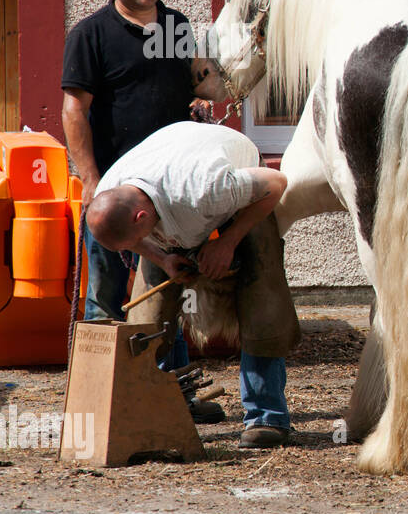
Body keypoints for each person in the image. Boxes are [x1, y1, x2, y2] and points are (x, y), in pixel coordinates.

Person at [85, 122, 302, 449]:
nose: (132, 246)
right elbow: (126, 241)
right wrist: (162, 258)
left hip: (238, 187)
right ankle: (162, 410)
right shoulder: (112, 193)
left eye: (134, 238)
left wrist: (227, 242)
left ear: (140, 218)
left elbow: (276, 182)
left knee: (262, 301)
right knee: (148, 320)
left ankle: (266, 416)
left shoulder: (207, 188)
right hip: (173, 191)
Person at [61, 0, 201, 322]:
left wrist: (199, 101)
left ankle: (163, 378)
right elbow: (73, 110)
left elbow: (188, 87)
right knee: (105, 298)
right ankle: (102, 378)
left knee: (166, 292)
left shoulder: (176, 27)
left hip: (168, 188)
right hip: (114, 188)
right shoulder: (91, 35)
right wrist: (90, 179)